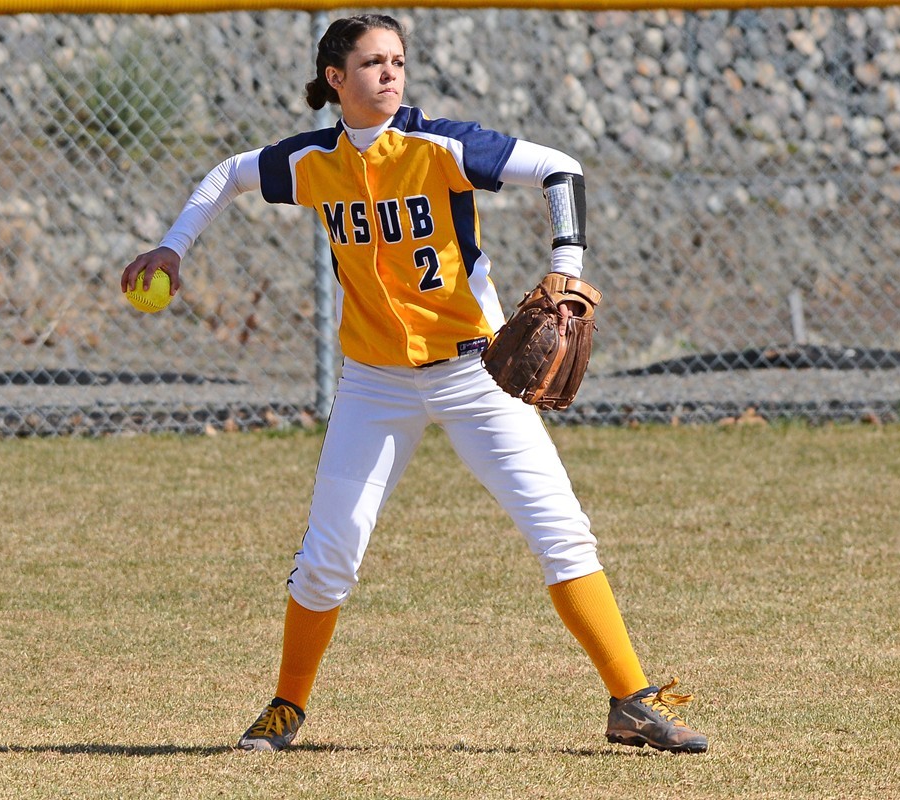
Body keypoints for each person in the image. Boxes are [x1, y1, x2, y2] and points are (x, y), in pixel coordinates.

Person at [120, 13, 707, 755]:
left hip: (475, 373)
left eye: (398, 60)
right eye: (372, 63)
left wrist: (568, 264)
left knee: (560, 532)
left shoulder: (441, 146)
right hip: (374, 385)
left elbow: (560, 168)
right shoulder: (312, 162)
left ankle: (632, 701)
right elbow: (229, 175)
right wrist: (173, 248)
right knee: (330, 555)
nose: (390, 73)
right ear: (336, 80)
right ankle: (285, 706)